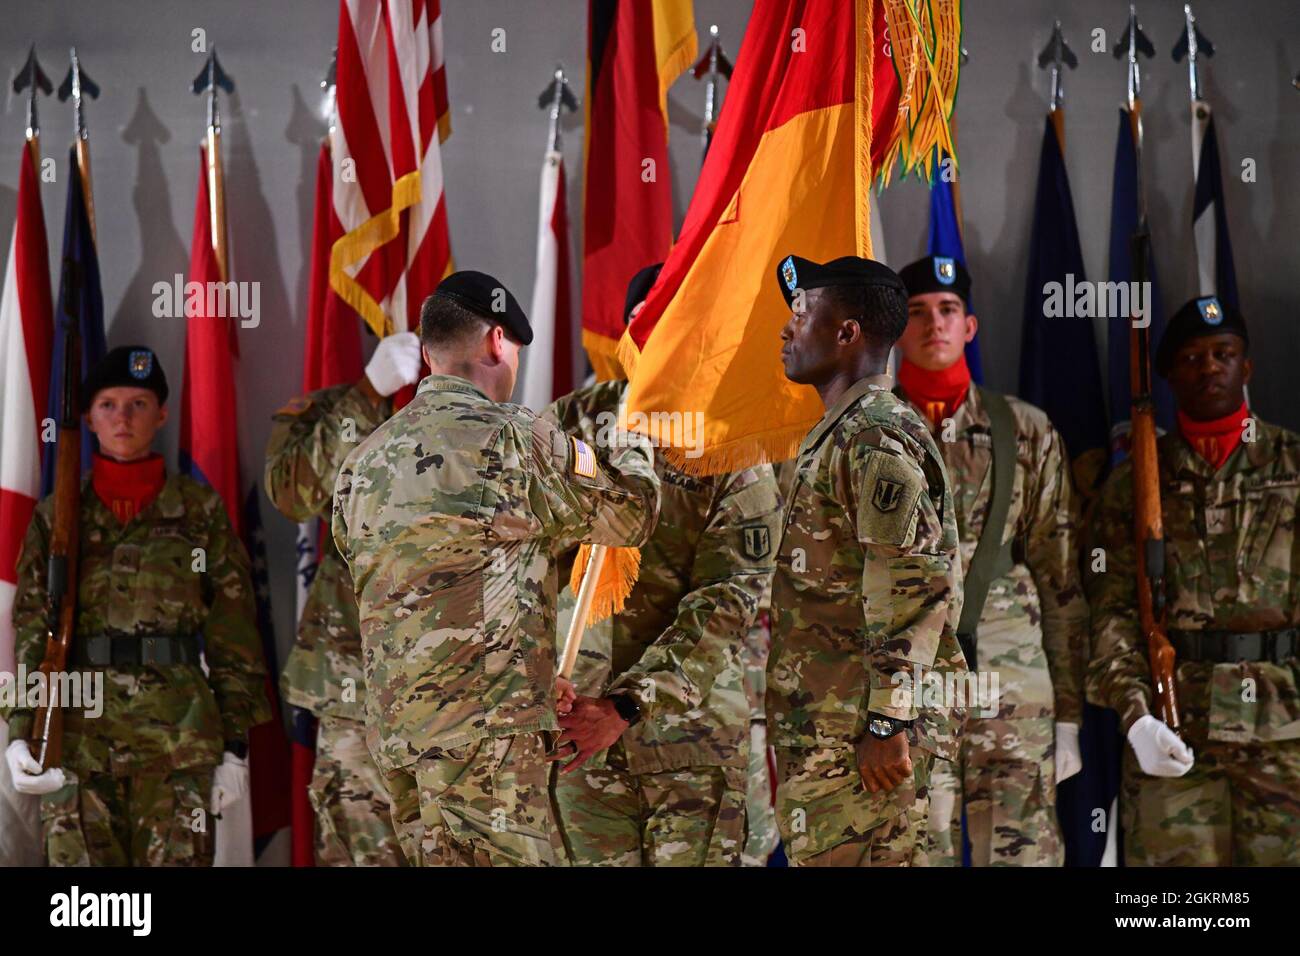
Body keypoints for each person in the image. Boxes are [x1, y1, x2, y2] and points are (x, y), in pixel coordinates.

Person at [332, 271, 660, 867]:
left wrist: (528, 671)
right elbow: (629, 515)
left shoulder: (362, 461)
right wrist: (635, 433)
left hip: (401, 739)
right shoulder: (516, 440)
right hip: (488, 741)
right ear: (497, 343)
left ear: (428, 353)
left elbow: (414, 583)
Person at [544, 264, 783, 867]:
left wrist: (627, 706)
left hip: (687, 741)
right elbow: (516, 565)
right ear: (627, 332)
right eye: (652, 326)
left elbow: (727, 600)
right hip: (577, 740)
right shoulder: (565, 427)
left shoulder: (730, 443)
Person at [3, 346, 269, 865]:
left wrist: (235, 744)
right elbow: (35, 631)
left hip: (177, 741)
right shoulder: (57, 519)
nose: (122, 418)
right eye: (107, 404)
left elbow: (232, 632)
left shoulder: (199, 512)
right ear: (89, 418)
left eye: (138, 404)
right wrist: (19, 733)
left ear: (162, 414)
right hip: (75, 737)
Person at [766, 254, 966, 867]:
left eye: (800, 314)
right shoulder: (844, 430)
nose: (786, 330)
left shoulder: (871, 436)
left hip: (861, 740)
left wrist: (886, 724)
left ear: (847, 332)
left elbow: (913, 585)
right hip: (834, 729)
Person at [1087, 295, 1300, 866]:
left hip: (1284, 729)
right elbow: (1110, 615)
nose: (1209, 368)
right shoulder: (1133, 486)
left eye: (1223, 353)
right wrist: (1136, 718)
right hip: (1175, 723)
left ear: (1246, 367)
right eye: (1192, 357)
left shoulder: (1292, 466)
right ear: (1168, 375)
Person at [894, 255, 1087, 866]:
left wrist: (1070, 718)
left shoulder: (1027, 431)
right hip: (905, 696)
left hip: (1014, 692)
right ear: (897, 330)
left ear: (970, 327)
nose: (935, 326)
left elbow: (1060, 579)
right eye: (918, 313)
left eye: (948, 311)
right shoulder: (865, 436)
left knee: (1022, 857)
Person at [264, 330, 423, 866]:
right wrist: (369, 392)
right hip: (354, 683)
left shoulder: (482, 420)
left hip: (455, 693)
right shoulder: (333, 411)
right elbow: (293, 493)